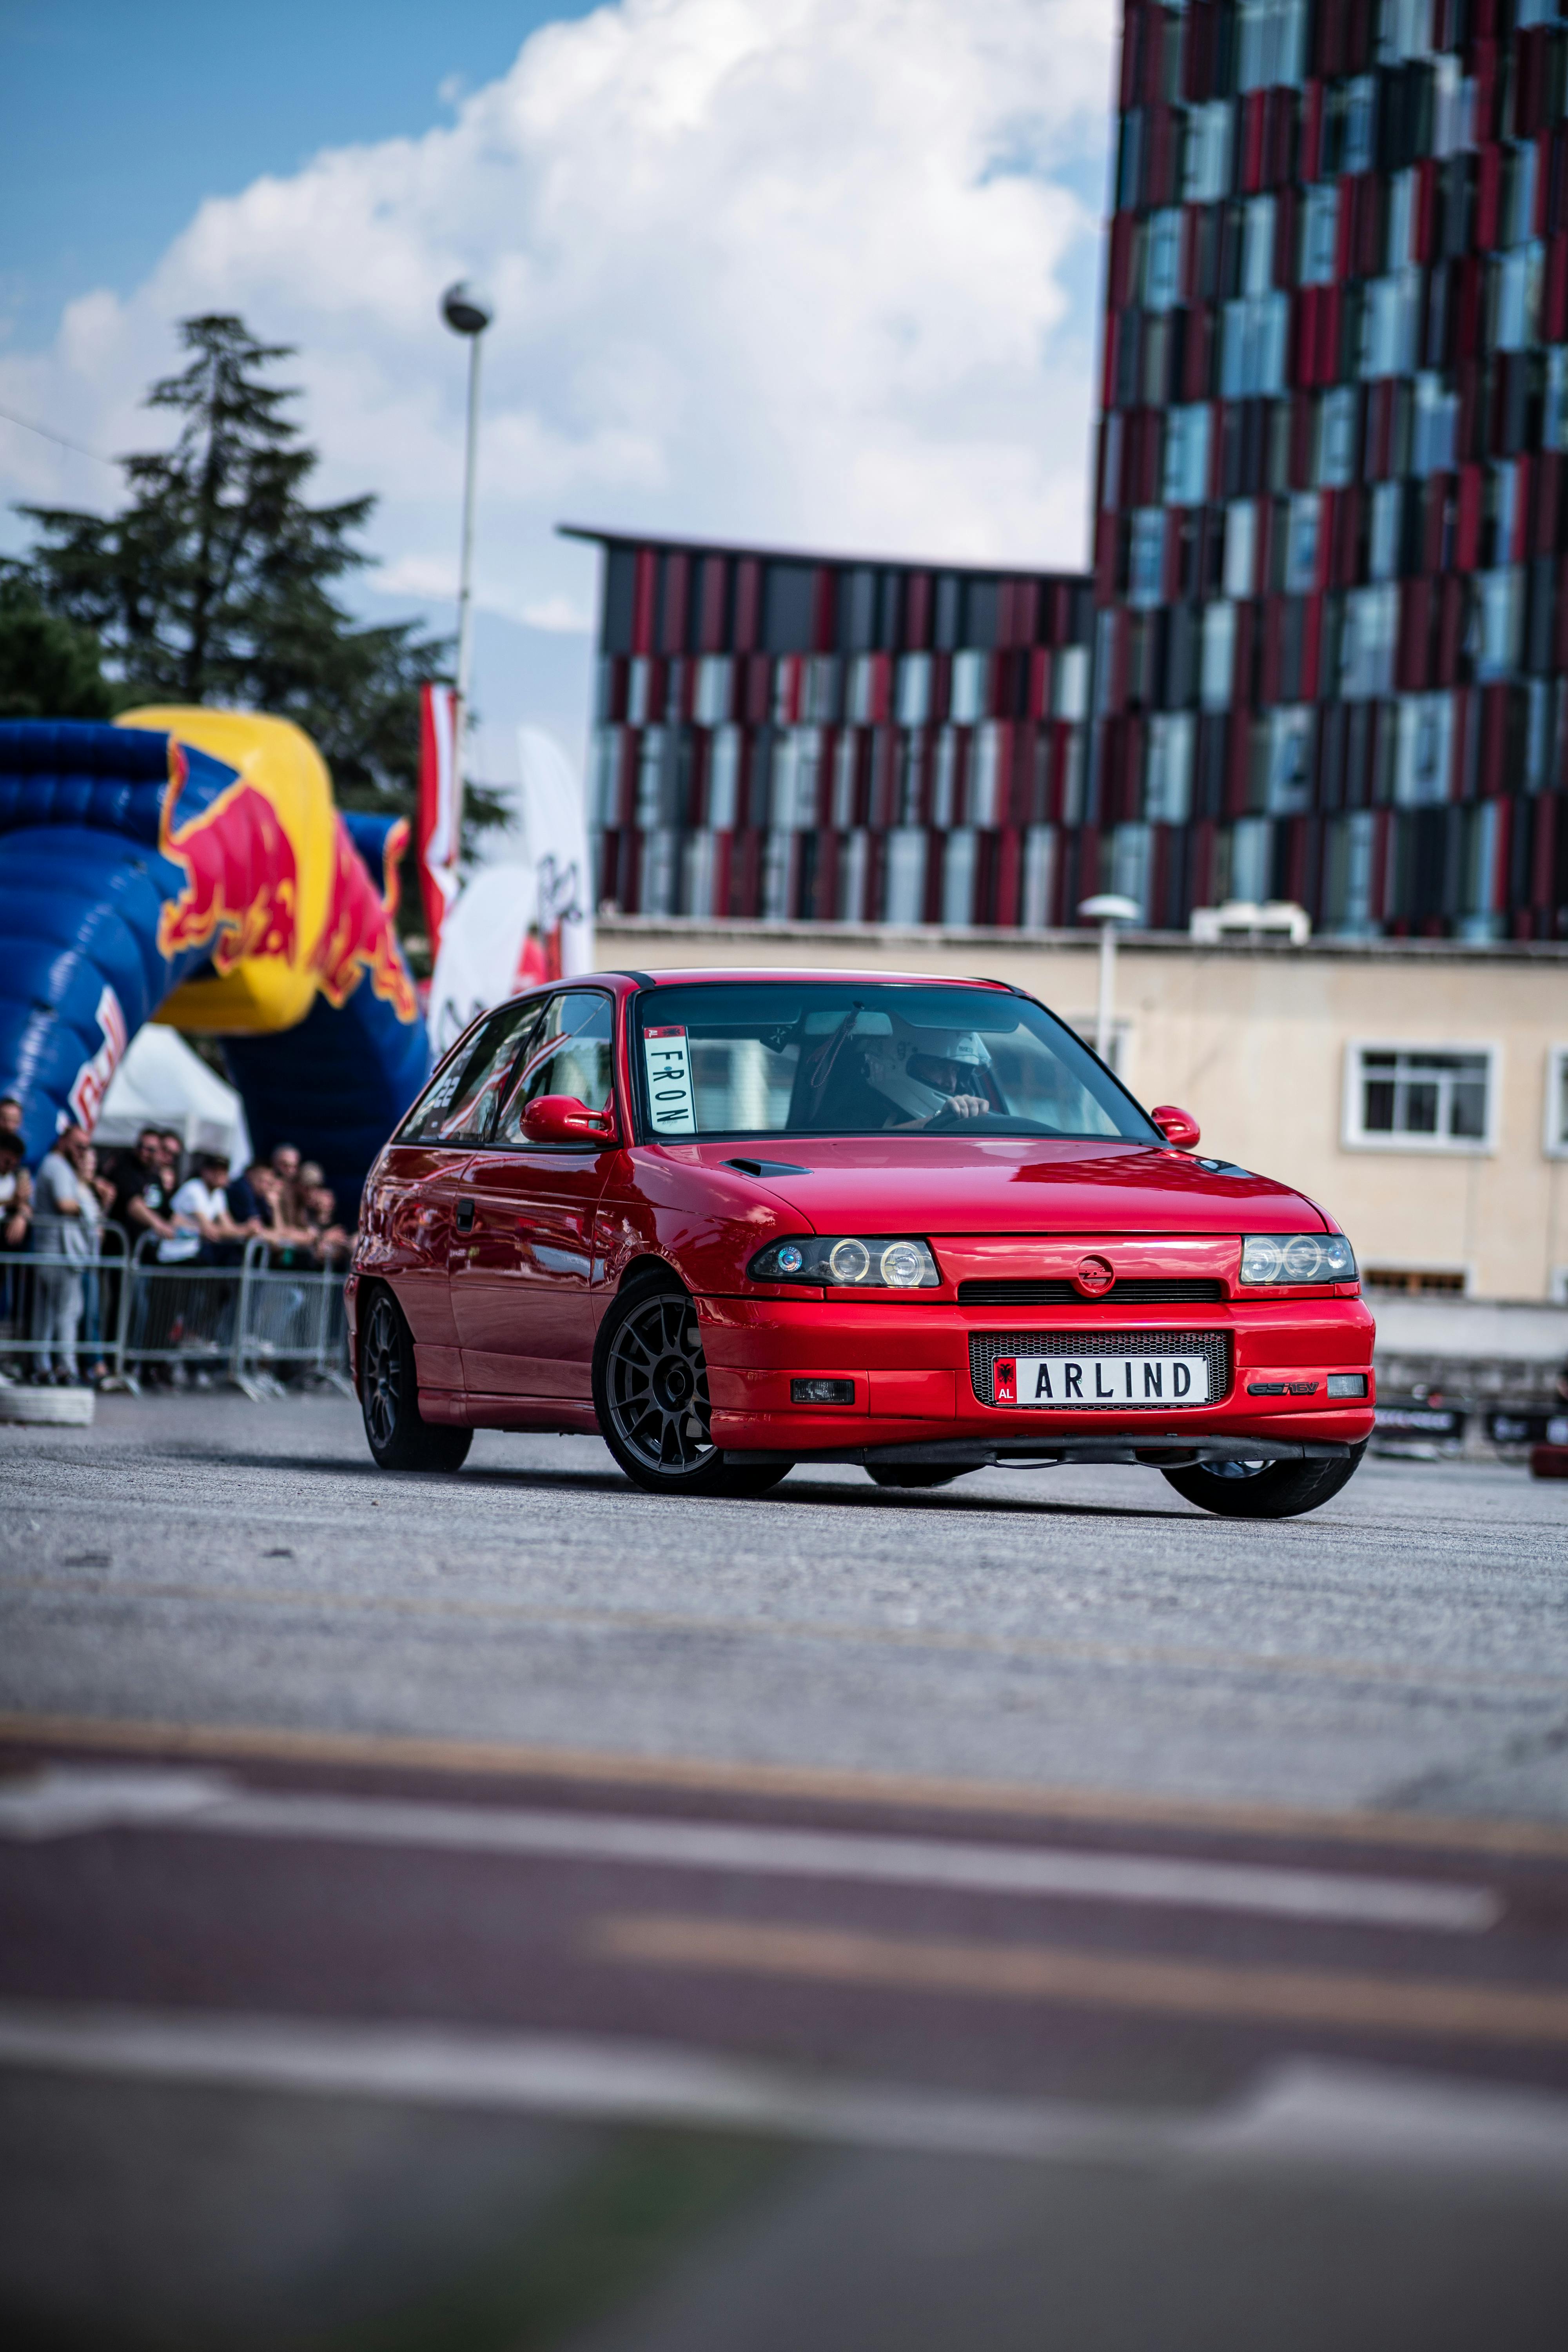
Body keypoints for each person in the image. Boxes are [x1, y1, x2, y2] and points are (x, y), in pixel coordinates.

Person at [31, 1125, 94, 1382]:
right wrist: (87, 1205)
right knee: (67, 1312)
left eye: (85, 1147)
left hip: (54, 1252)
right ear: (64, 1140)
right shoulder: (57, 1166)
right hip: (57, 1253)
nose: (82, 1152)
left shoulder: (57, 1165)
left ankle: (43, 1366)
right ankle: (66, 1368)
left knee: (47, 1315)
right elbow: (64, 1203)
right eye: (78, 1146)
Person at [860, 1024, 996, 1129]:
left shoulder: (968, 1114)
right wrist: (938, 1120)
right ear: (896, 1066)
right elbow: (861, 1150)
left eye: (955, 1071)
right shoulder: (858, 1111)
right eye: (939, 1067)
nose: (951, 1083)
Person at [159, 1152, 250, 1265]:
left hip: (192, 1254)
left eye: (223, 1170)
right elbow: (210, 1231)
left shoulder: (218, 1194)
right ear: (204, 1171)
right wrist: (246, 1230)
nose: (219, 1174)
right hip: (176, 1255)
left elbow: (228, 1226)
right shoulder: (194, 1189)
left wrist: (245, 1230)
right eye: (214, 1170)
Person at [107, 1128, 178, 1251]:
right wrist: (158, 1224)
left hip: (148, 1250)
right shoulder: (124, 1169)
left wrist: (197, 1228)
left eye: (150, 1150)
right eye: (141, 1147)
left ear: (160, 1152)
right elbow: (134, 1204)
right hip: (122, 1249)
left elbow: (169, 1213)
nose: (144, 1152)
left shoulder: (155, 1177)